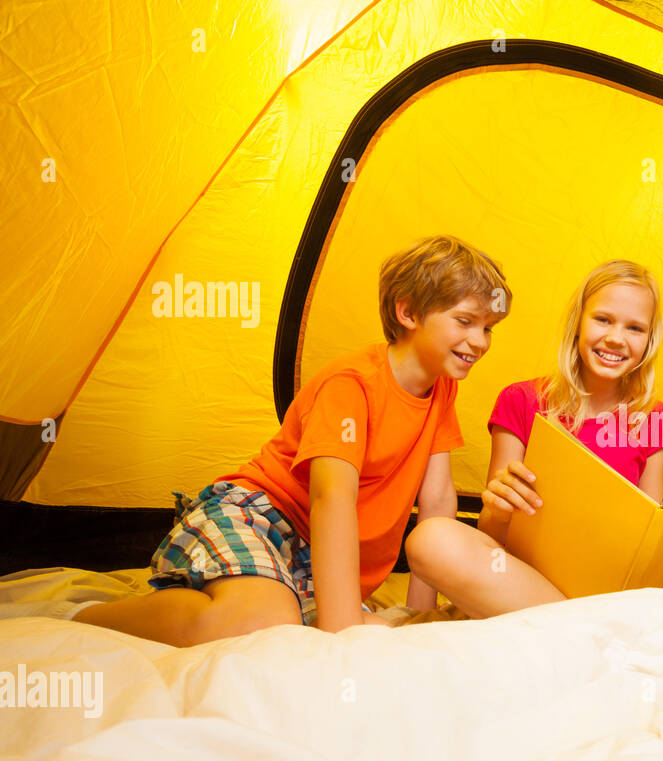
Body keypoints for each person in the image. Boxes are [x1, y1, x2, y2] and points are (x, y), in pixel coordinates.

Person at [7, 235, 510, 646]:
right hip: (258, 515)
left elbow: (438, 501)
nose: (480, 342)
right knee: (262, 621)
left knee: (340, 630)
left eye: (488, 327)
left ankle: (252, 598)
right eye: (465, 322)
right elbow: (330, 497)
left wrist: (415, 618)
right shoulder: (353, 384)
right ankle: (92, 618)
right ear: (408, 313)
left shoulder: (440, 389)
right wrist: (342, 627)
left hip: (316, 554)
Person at [406, 259, 663, 619]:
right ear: (579, 324)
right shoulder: (521, 400)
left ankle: (589, 628)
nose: (616, 339)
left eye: (635, 328)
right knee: (431, 539)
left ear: (649, 340)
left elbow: (647, 540)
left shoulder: (658, 418)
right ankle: (598, 630)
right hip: (530, 583)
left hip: (624, 592)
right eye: (603, 320)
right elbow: (491, 531)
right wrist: (499, 504)